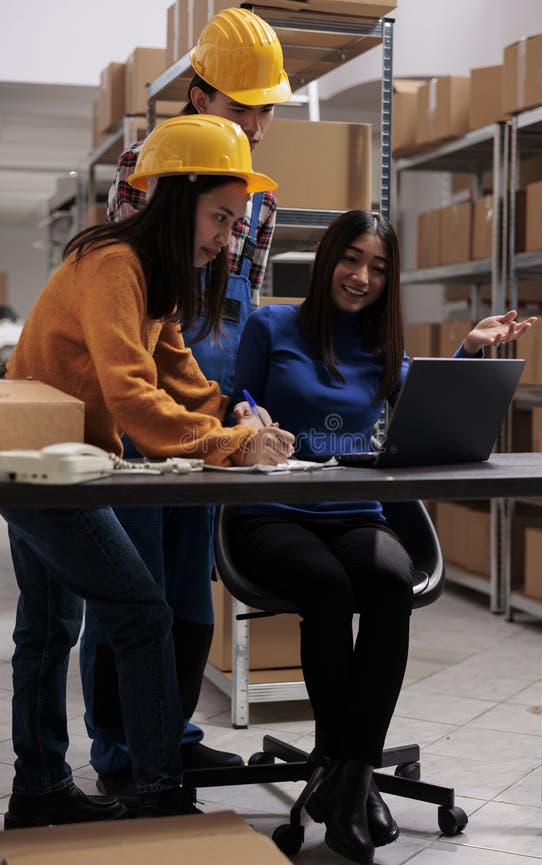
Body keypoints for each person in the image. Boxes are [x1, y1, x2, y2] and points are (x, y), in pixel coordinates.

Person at [0, 115, 294, 829]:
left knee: (48, 629)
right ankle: (160, 794)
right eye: (219, 218)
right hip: (43, 468)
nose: (227, 238)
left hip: (51, 463)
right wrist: (230, 446)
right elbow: (133, 396)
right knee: (139, 614)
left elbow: (181, 376)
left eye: (235, 223)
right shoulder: (114, 264)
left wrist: (237, 416)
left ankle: (39, 790)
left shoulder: (153, 280)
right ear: (178, 197)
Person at [229, 209, 536, 865]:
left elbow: (427, 411)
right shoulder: (270, 325)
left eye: (377, 267)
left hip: (355, 514)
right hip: (270, 511)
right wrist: (246, 420)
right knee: (325, 584)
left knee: (390, 579)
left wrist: (468, 350)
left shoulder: (380, 345)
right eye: (352, 259)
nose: (361, 276)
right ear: (327, 259)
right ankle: (348, 775)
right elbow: (233, 403)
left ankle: (348, 775)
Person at [80, 6, 293, 800]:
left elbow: (243, 306)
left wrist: (238, 408)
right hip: (142, 411)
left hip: (208, 412)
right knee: (129, 585)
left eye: (267, 110)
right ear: (200, 97)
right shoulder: (148, 170)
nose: (258, 126)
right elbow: (134, 306)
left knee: (187, 589)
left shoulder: (258, 196)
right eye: (244, 107)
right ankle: (119, 749)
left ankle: (171, 737)